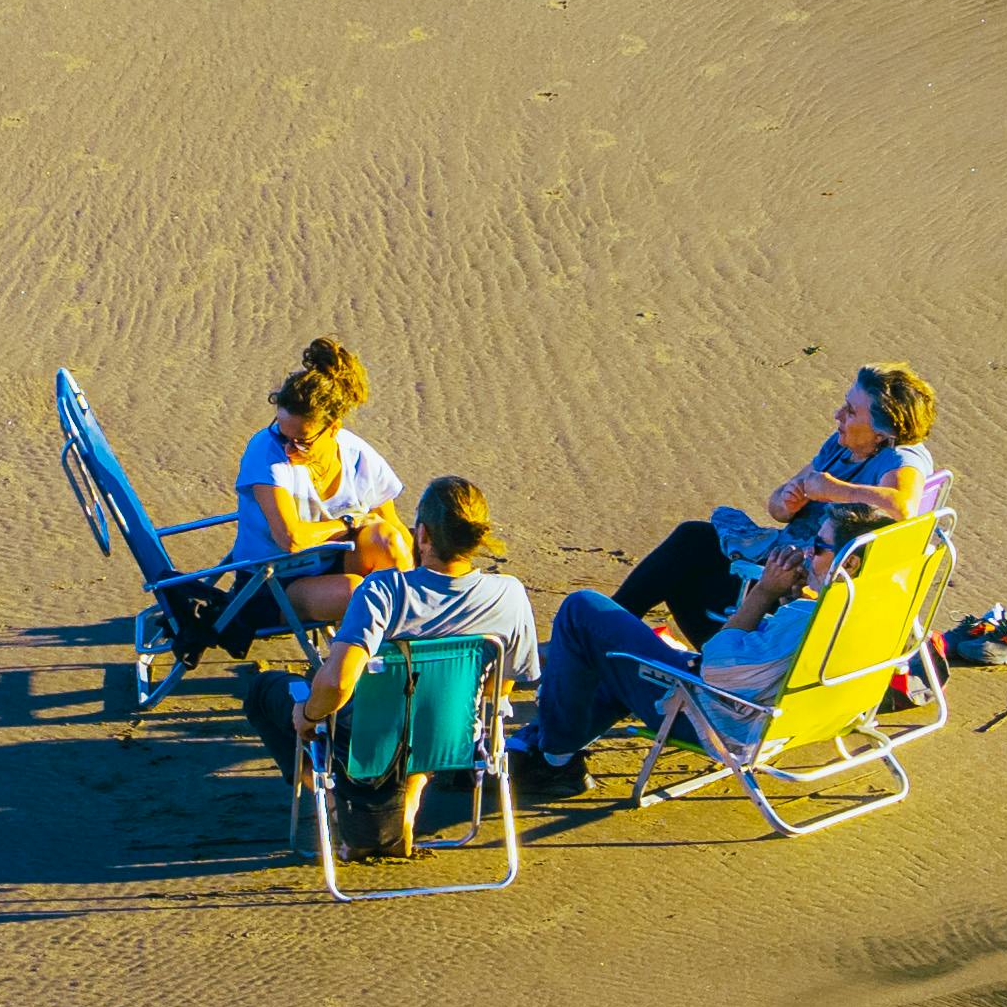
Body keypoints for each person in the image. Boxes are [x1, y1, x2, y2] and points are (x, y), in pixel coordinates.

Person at [298, 476, 543, 850]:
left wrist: (309, 715)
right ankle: (412, 785)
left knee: (274, 694)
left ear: (423, 535)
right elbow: (501, 689)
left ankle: (333, 805)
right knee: (438, 702)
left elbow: (337, 685)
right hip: (454, 737)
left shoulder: (384, 591)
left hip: (372, 740)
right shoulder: (508, 596)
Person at [618, 363, 933, 642]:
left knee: (683, 557)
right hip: (781, 560)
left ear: (881, 431)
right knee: (693, 541)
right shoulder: (841, 446)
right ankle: (612, 626)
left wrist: (832, 489)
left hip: (789, 588)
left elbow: (901, 507)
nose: (838, 414)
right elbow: (777, 506)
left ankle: (603, 629)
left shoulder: (900, 457)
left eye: (851, 411)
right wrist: (788, 503)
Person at [519, 533, 827, 794]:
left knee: (582, 609)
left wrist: (764, 592)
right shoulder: (856, 612)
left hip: (716, 722)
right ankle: (541, 741)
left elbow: (716, 666)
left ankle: (555, 762)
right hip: (794, 723)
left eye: (820, 545)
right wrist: (791, 600)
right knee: (611, 654)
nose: (808, 550)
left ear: (849, 562)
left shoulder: (807, 620)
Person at [222, 338, 409, 759]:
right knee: (363, 595)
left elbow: (394, 526)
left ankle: (401, 664)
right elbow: (289, 539)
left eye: (301, 441)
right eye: (282, 433)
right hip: (273, 582)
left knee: (388, 540)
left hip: (328, 564)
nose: (289, 448)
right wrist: (345, 523)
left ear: (333, 429)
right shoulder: (265, 453)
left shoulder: (357, 454)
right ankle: (370, 681)